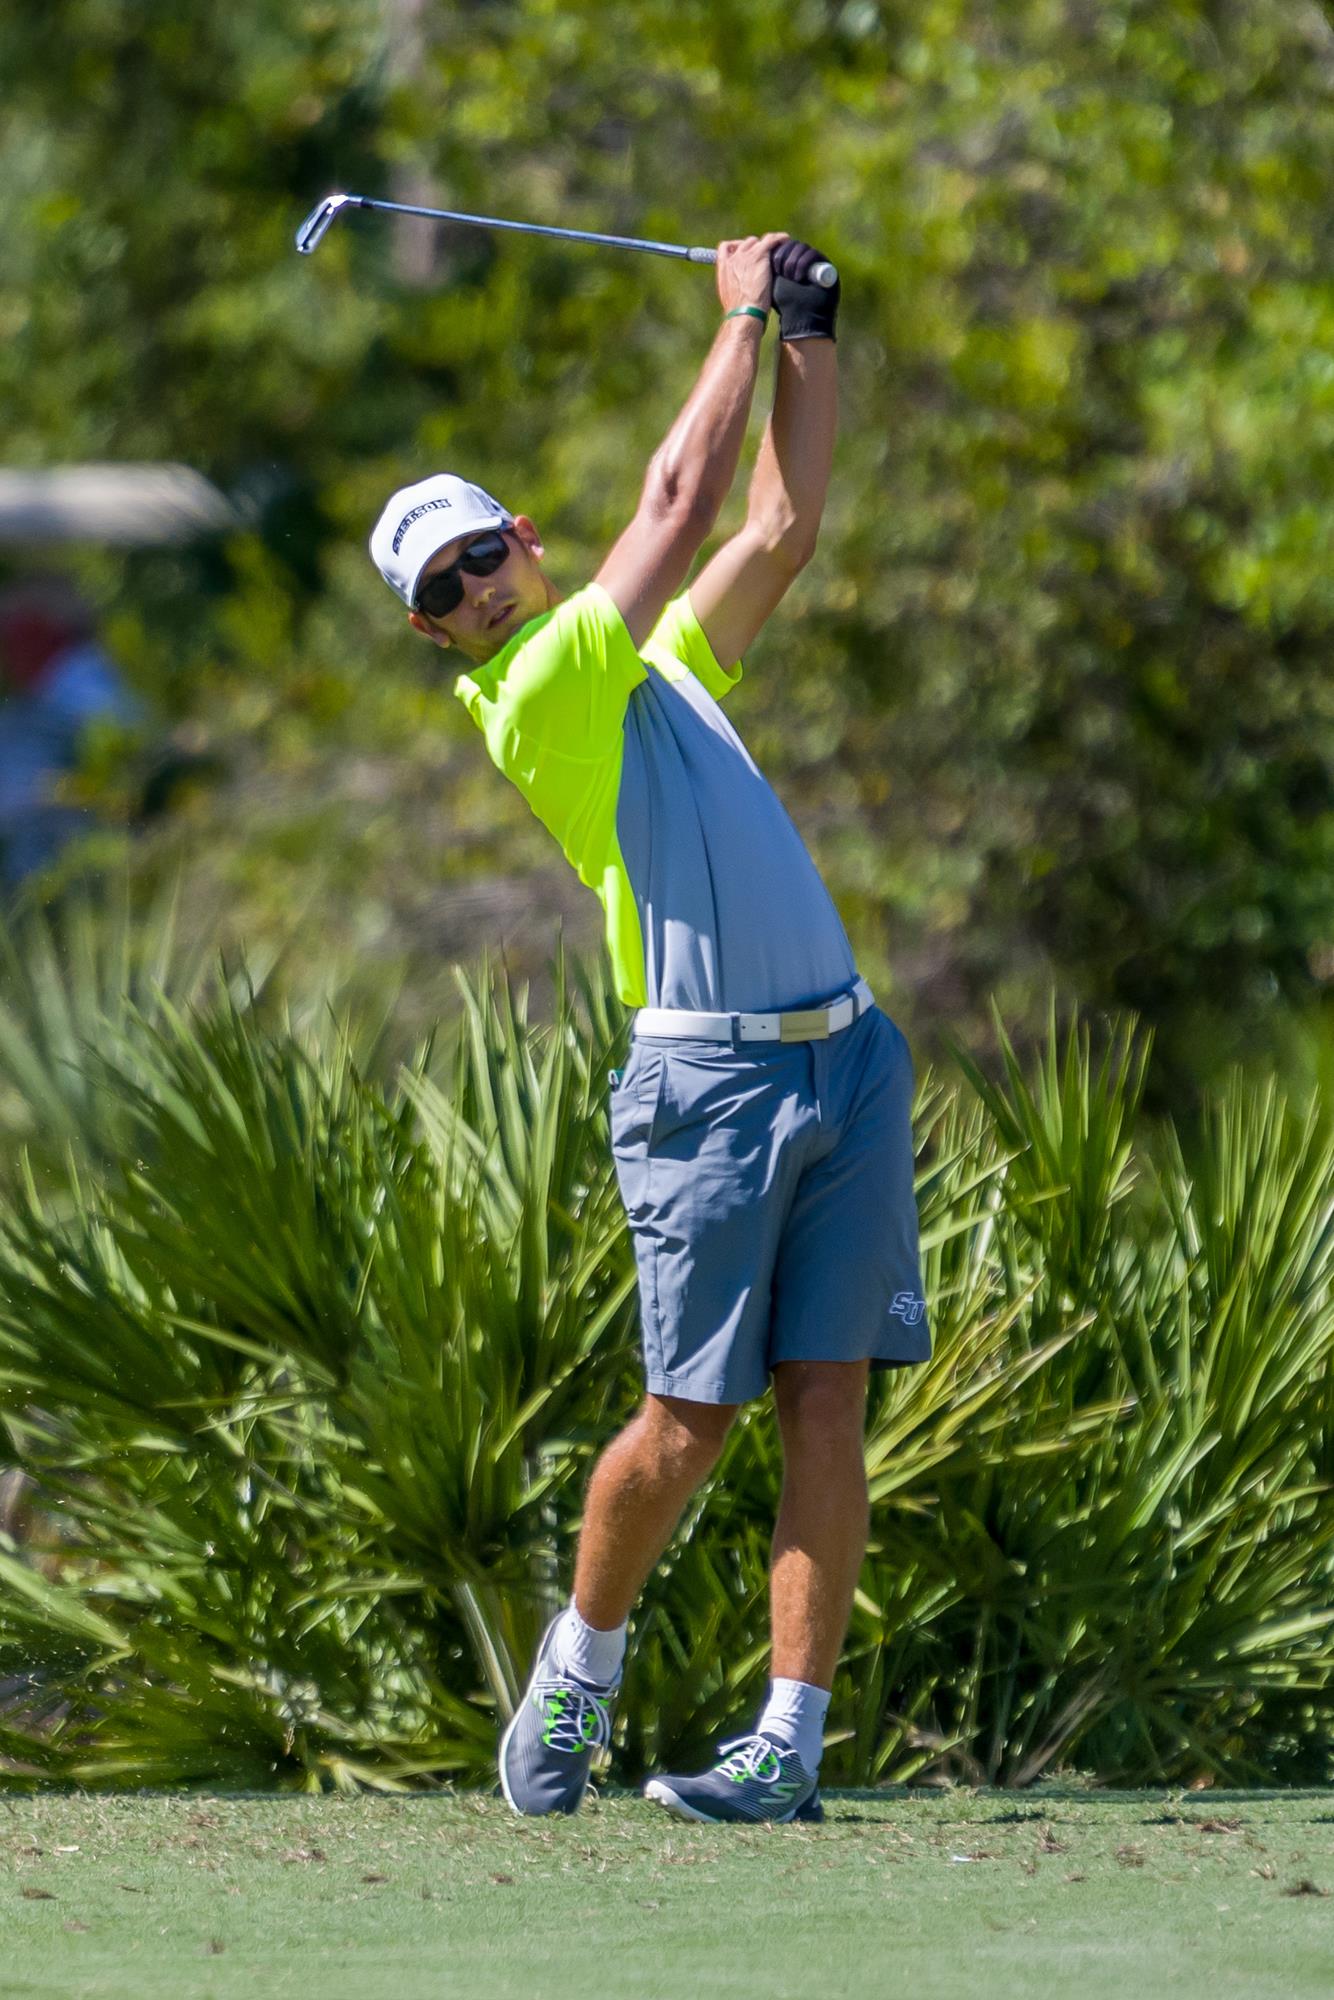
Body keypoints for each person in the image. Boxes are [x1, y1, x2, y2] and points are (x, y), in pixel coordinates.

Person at [369, 234, 929, 1825]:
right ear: (433, 633)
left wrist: (810, 327)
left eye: (478, 555)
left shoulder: (661, 668)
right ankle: (582, 1666)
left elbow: (775, 520)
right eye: (441, 590)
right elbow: (675, 508)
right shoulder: (536, 689)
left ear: (518, 538)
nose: (474, 590)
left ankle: (787, 1745)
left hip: (846, 1059)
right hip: (708, 1083)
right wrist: (739, 311)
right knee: (690, 1423)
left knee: (828, 1400)